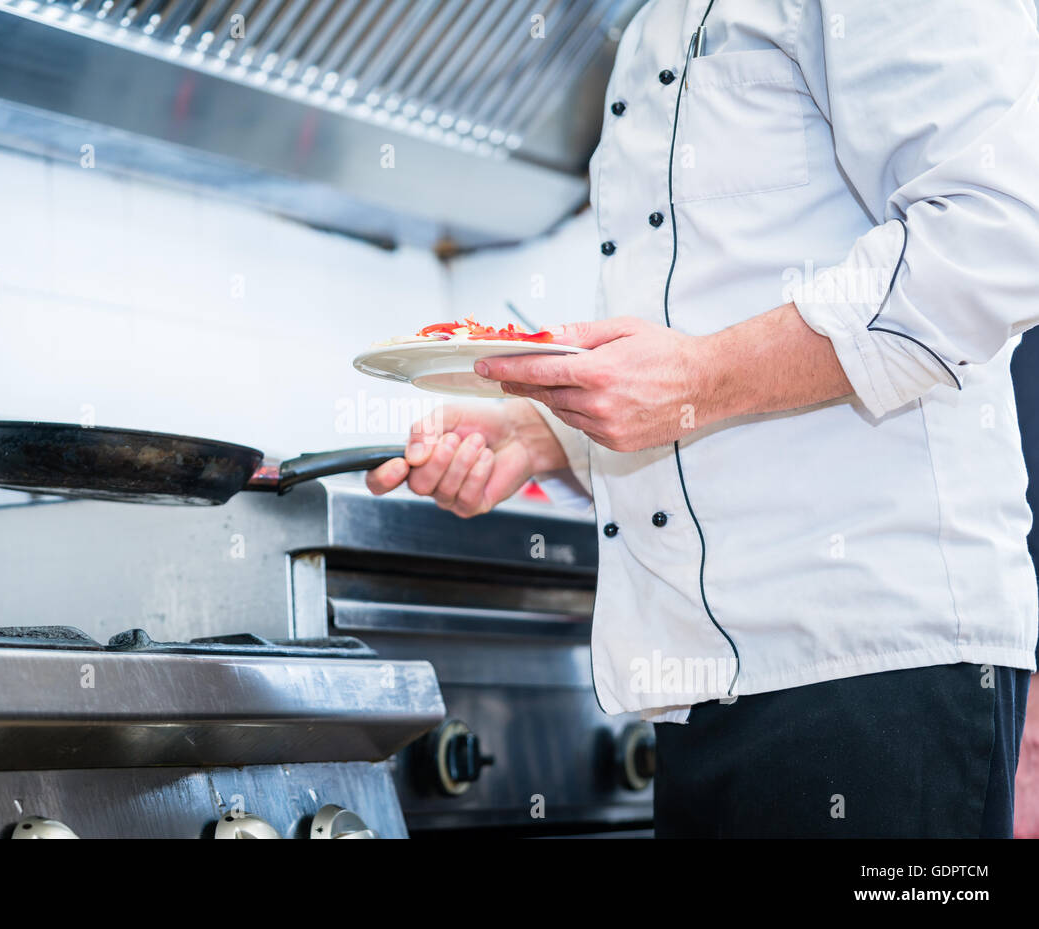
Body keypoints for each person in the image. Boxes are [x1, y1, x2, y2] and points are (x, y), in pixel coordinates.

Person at [367, 0, 1039, 837]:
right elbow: (722, 309)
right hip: (703, 682)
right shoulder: (658, 18)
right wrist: (551, 435)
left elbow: (997, 236)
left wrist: (697, 378)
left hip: (877, 667)